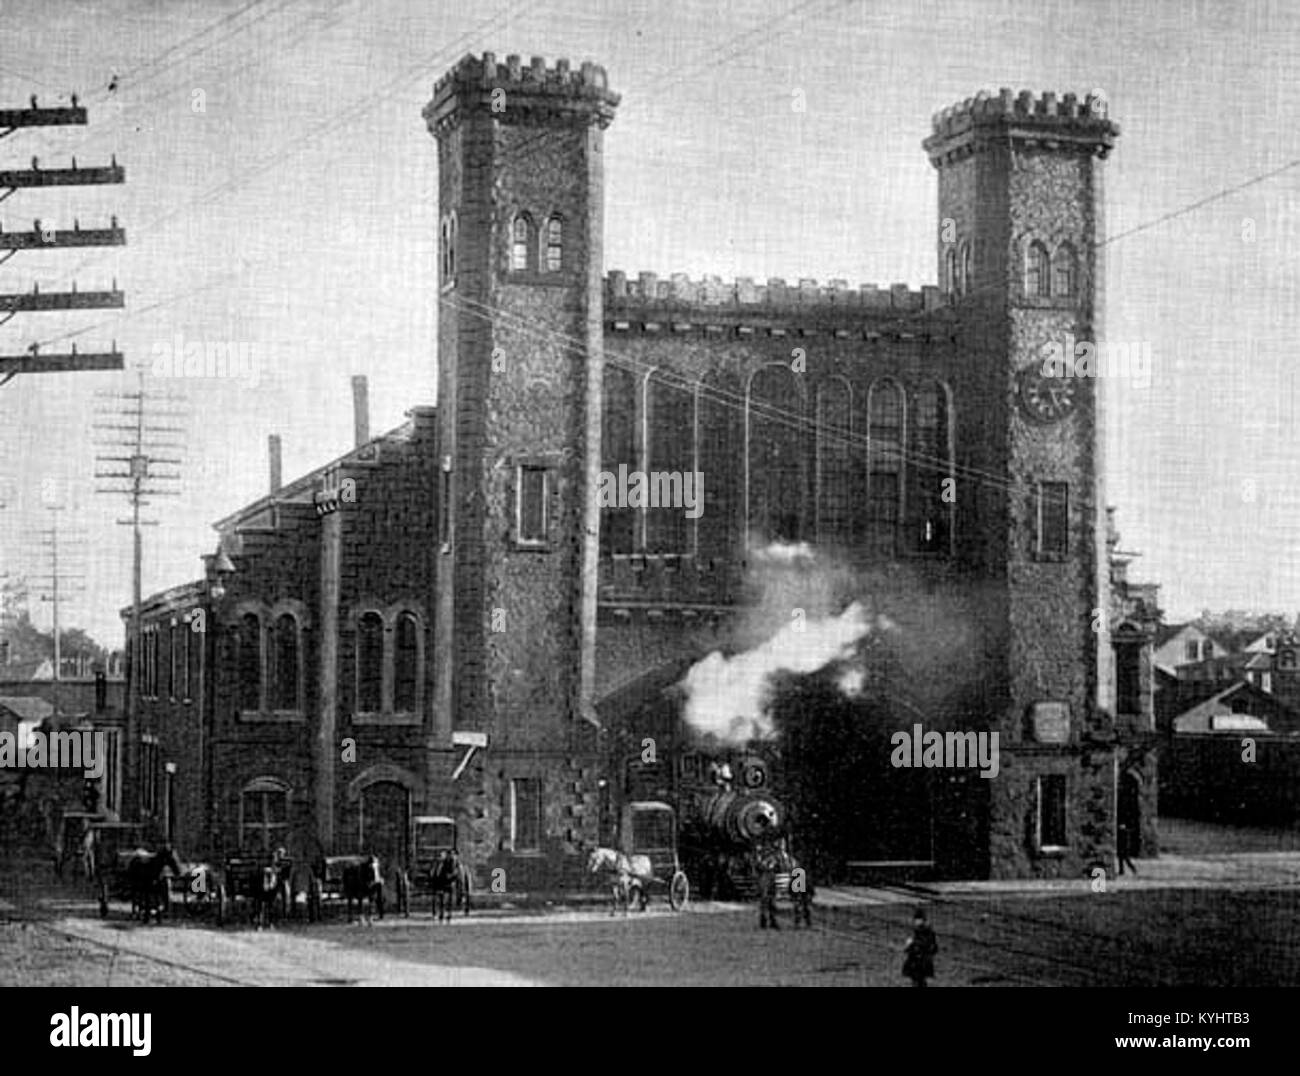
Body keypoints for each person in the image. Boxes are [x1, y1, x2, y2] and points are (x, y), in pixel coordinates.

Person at [902, 906, 938, 986]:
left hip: (920, 962)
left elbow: (928, 946)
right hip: (918, 961)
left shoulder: (925, 931)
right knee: (917, 981)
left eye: (917, 919)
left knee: (918, 981)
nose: (916, 922)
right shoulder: (920, 931)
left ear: (922, 920)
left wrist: (911, 943)